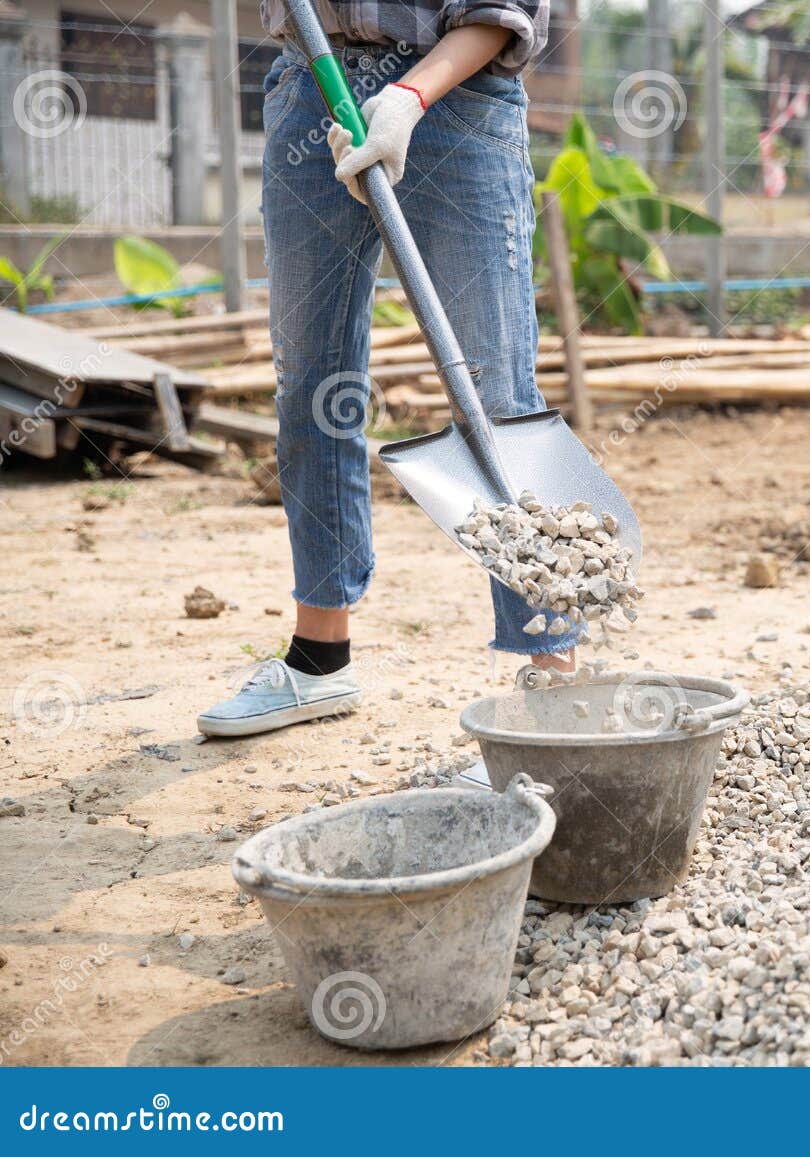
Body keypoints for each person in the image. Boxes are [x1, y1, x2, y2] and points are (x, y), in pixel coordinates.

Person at [198, 0, 566, 737]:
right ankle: (318, 659)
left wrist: (403, 98)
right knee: (312, 380)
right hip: (312, 91)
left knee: (496, 394)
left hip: (458, 103)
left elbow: (506, 10)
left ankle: (550, 689)